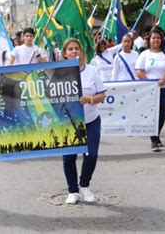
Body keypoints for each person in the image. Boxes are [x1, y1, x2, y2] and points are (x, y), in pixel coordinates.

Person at [60, 38, 106, 204]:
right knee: (69, 158)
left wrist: (90, 99)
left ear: (81, 52)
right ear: (64, 53)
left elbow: (102, 94)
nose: (73, 51)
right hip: (68, 123)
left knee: (91, 155)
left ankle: (85, 185)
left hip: (91, 120)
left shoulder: (92, 71)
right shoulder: (58, 73)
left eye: (76, 49)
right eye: (70, 49)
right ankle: (73, 191)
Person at [135, 28, 165, 152]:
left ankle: (156, 134)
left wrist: (164, 80)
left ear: (161, 40)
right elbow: (138, 71)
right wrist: (149, 82)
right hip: (150, 90)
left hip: (164, 88)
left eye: (158, 38)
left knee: (163, 113)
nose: (156, 40)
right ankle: (154, 140)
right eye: (153, 38)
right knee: (152, 115)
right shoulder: (144, 54)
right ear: (149, 40)